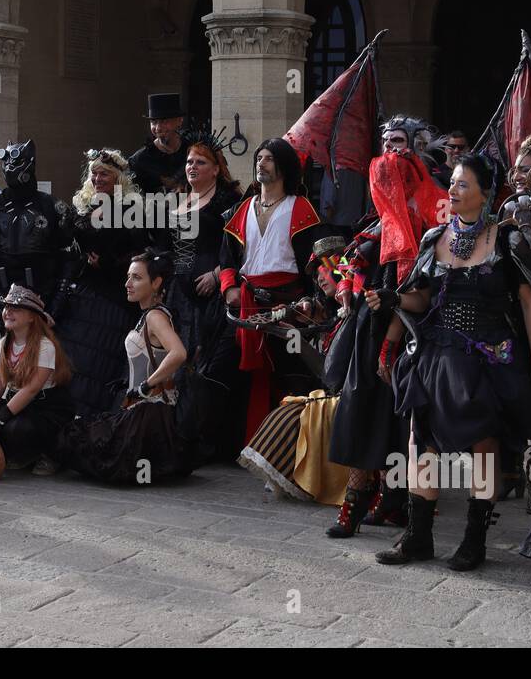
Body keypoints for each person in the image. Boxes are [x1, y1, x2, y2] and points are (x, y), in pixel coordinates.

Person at [374, 153, 531, 571]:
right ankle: (418, 537)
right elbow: (422, 298)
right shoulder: (434, 238)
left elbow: (530, 304)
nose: (451, 190)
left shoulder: (506, 240)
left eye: (462, 184)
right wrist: (394, 299)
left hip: (490, 356)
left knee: (483, 445)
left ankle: (474, 540)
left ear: (486, 193)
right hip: (436, 355)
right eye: (452, 183)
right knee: (422, 442)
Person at [324, 149, 445, 537]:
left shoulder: (429, 227)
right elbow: (349, 262)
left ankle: (392, 504)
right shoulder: (381, 224)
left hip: (411, 333)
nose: (385, 188)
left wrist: (390, 342)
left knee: (401, 422)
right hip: (369, 329)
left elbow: (416, 291)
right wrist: (344, 286)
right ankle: (364, 502)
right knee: (363, 412)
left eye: (393, 180)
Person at [220, 137, 323, 444]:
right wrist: (229, 289)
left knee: (289, 376)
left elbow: (315, 263)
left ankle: (287, 446)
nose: (260, 163)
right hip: (246, 303)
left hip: (287, 303)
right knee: (243, 374)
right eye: (259, 158)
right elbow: (226, 256)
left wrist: (311, 304)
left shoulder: (301, 209)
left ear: (284, 166)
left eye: (268, 158)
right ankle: (245, 442)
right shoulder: (243, 208)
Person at [60, 251, 191, 483]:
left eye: (136, 278)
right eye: (128, 277)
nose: (128, 284)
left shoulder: (155, 317)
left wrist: (145, 386)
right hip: (141, 411)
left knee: (76, 441)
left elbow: (179, 353)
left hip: (148, 414)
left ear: (157, 282)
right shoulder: (148, 314)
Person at [0, 140, 74, 392]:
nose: (11, 169)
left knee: (44, 356)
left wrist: (57, 302)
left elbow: (69, 258)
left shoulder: (52, 208)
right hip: (0, 298)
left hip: (43, 297)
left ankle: (39, 403)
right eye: (7, 163)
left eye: (17, 163)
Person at [165, 128, 244, 459]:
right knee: (181, 362)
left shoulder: (228, 202)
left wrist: (216, 275)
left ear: (215, 168)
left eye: (199, 162)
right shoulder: (180, 199)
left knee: (209, 365)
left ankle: (212, 441)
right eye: (188, 161)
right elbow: (180, 250)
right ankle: (183, 434)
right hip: (181, 296)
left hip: (214, 294)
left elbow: (241, 247)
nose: (191, 167)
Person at [60, 149, 149, 417]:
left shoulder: (132, 208)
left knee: (102, 359)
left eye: (105, 174)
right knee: (75, 356)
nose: (98, 179)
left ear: (117, 179)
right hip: (85, 291)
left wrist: (110, 262)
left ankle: (96, 420)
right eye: (94, 173)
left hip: (115, 295)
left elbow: (141, 252)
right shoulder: (84, 206)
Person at [0, 285, 74, 474]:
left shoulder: (45, 346)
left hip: (46, 408)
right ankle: (18, 452)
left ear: (32, 317)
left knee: (15, 429)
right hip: (18, 402)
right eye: (7, 307)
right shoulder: (4, 342)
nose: (8, 312)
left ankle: (48, 454)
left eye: (16, 308)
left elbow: (30, 390)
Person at [128, 93, 187, 194]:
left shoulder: (193, 149)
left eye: (164, 121)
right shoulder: (139, 160)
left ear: (179, 121)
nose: (158, 128)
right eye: (154, 122)